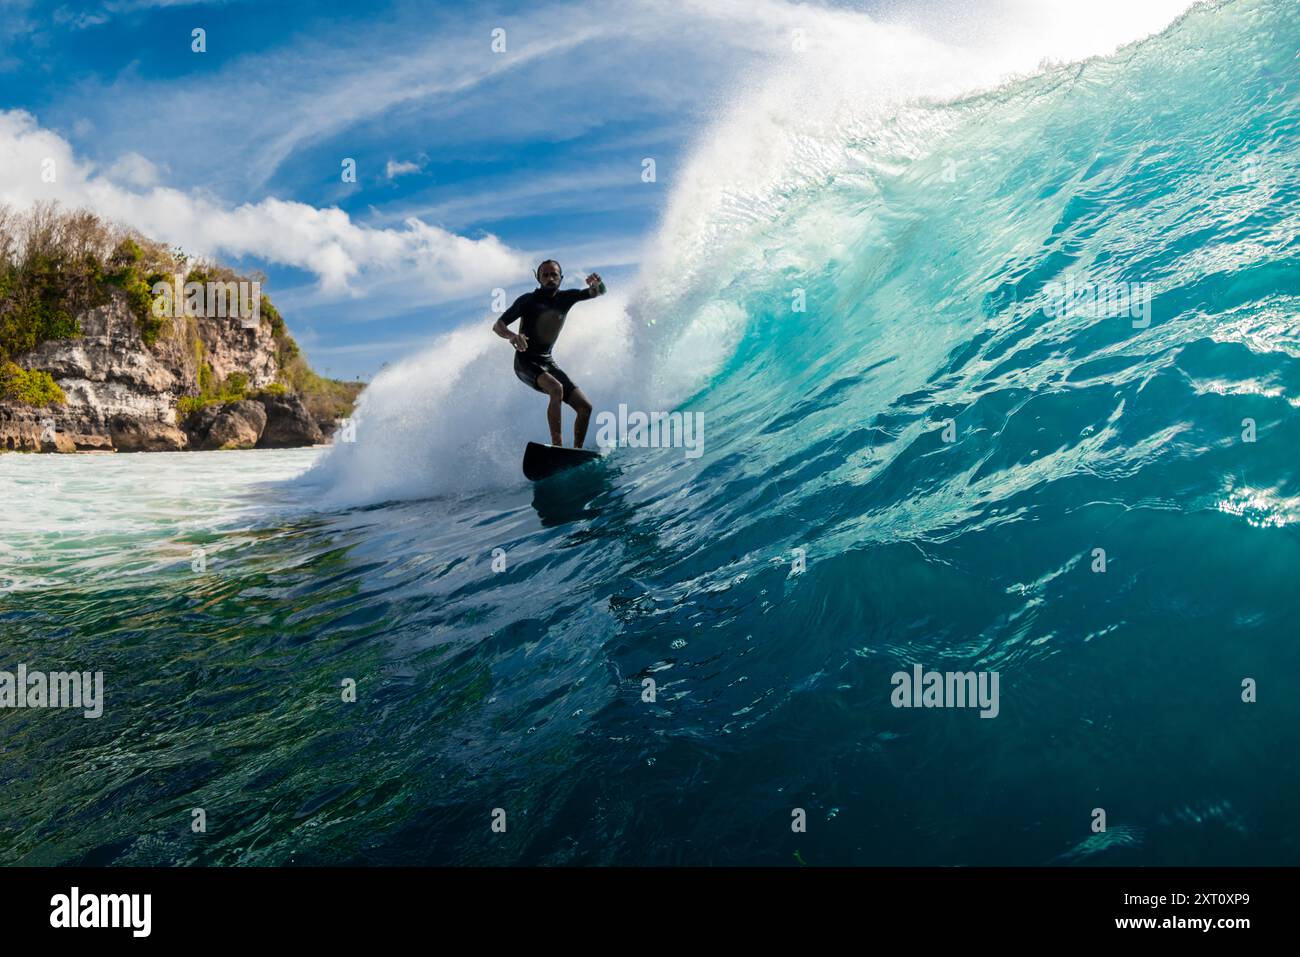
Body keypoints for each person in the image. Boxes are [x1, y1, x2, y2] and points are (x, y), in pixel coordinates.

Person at [493, 259, 605, 447]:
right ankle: (557, 446)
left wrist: (598, 284)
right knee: (556, 389)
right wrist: (512, 336)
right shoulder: (528, 300)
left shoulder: (567, 297)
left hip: (547, 362)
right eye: (545, 275)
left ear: (561, 278)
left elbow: (598, 292)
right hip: (525, 362)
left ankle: (575, 453)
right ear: (538, 278)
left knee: (585, 407)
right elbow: (498, 326)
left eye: (554, 274)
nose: (550, 278)